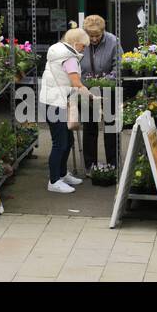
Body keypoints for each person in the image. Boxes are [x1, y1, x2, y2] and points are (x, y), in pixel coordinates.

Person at [40, 26, 92, 194]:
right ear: (76, 44)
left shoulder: (58, 51)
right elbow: (76, 82)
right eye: (84, 45)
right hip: (56, 103)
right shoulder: (69, 58)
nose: (85, 48)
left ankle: (61, 174)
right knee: (60, 143)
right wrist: (92, 97)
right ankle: (54, 181)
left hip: (53, 101)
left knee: (67, 141)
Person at [80, 14, 120, 173]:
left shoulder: (113, 41)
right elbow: (73, 64)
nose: (94, 39)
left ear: (103, 32)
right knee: (89, 128)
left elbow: (119, 64)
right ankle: (90, 166)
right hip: (86, 90)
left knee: (111, 128)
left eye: (97, 35)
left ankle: (113, 164)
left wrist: (108, 79)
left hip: (108, 90)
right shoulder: (80, 40)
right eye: (91, 36)